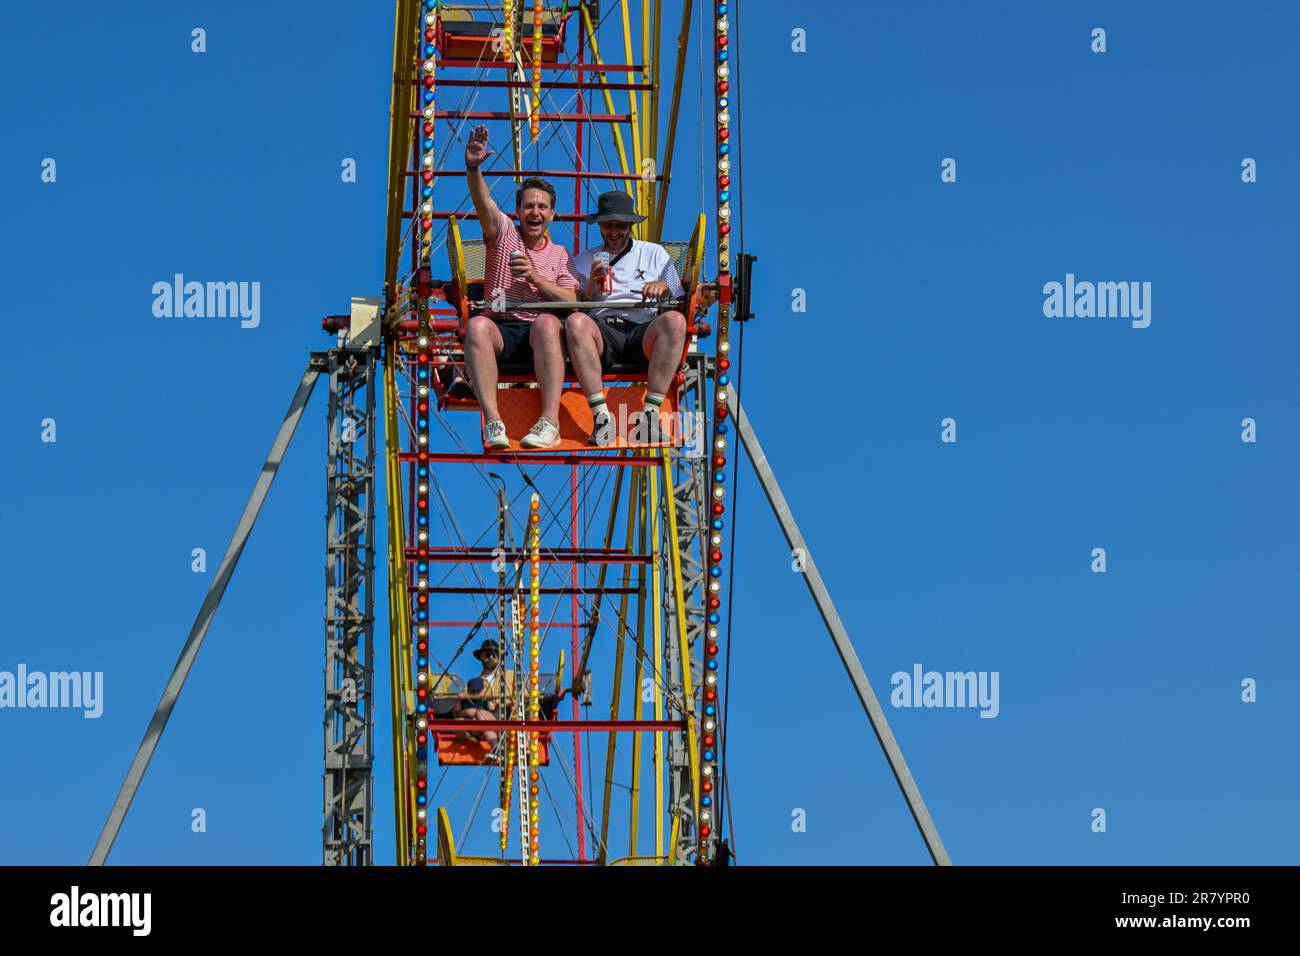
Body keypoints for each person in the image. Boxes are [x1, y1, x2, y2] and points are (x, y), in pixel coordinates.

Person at [462, 125, 580, 450]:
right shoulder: (502, 233)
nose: (535, 212)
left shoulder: (559, 255)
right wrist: (473, 168)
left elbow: (572, 301)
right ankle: (492, 420)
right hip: (501, 329)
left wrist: (536, 279)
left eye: (542, 207)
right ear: (517, 212)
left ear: (553, 215)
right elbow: (483, 201)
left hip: (538, 337)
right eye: (529, 206)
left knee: (547, 322)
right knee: (476, 326)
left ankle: (550, 421)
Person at [565, 191, 688, 446]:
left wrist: (662, 286)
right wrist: (589, 290)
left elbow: (681, 300)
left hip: (642, 331)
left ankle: (650, 416)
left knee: (675, 322)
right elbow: (571, 311)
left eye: (620, 225)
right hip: (602, 332)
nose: (614, 231)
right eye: (608, 224)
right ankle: (601, 417)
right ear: (599, 224)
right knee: (575, 324)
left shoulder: (654, 254)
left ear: (631, 224)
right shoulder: (583, 261)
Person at [452, 639, 511, 751]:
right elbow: (459, 710)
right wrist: (458, 702)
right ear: (481, 657)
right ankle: (475, 737)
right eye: (487, 655)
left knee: (481, 715)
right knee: (468, 719)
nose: (491, 657)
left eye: (495, 655)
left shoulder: (510, 676)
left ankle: (495, 745)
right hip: (481, 719)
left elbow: (523, 697)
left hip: (506, 714)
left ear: (499, 658)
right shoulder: (473, 683)